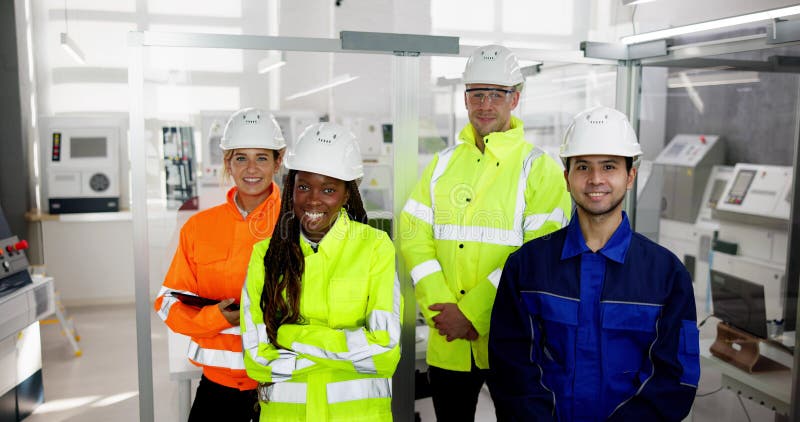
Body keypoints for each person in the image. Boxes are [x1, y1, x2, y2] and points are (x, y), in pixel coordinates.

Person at [488, 106, 701, 421]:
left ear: (630, 175)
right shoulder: (527, 267)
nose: (596, 179)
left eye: (609, 166)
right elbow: (511, 369)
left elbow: (675, 378)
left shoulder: (666, 275)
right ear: (567, 176)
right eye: (583, 167)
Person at [399, 44, 573, 421]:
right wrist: (441, 306)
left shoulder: (539, 169)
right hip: (448, 338)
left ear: (516, 99)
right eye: (477, 93)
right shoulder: (442, 164)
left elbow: (536, 255)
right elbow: (413, 234)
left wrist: (471, 313)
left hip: (510, 338)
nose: (485, 104)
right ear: (465, 98)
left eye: (497, 94)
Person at [241, 123, 401, 422]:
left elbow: (384, 354)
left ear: (346, 195)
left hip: (358, 416)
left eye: (329, 189)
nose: (313, 200)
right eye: (304, 187)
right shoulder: (266, 255)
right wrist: (343, 349)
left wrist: (289, 334)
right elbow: (256, 358)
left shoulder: (375, 247)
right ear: (290, 189)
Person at [154, 107, 285, 421]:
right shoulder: (199, 228)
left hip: (283, 383)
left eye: (262, 157)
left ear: (278, 162)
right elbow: (167, 303)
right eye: (241, 158)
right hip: (217, 388)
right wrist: (215, 318)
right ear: (227, 163)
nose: (251, 168)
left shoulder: (297, 226)